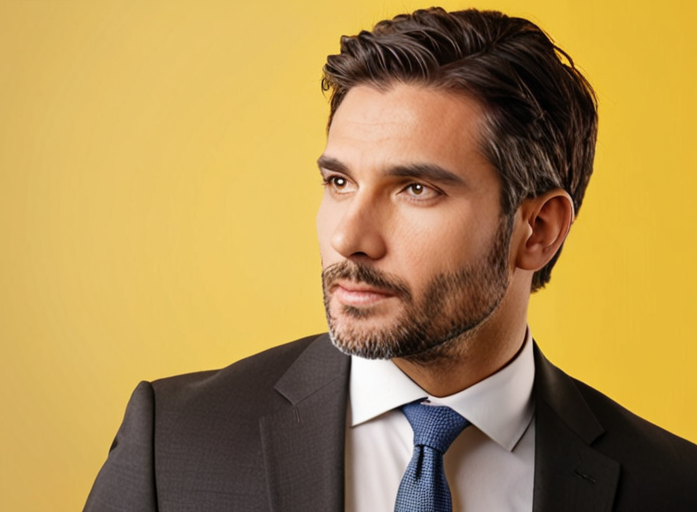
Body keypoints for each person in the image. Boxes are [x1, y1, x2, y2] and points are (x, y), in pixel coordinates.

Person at [83, 7, 697, 512]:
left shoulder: (671, 487)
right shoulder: (174, 443)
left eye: (415, 189)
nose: (350, 238)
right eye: (339, 183)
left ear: (537, 229)